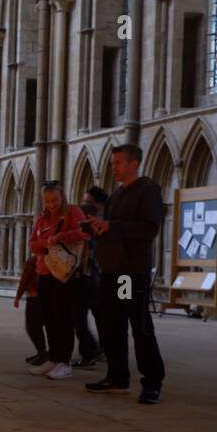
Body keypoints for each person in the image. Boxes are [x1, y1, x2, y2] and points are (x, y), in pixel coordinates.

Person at [86, 143, 165, 404]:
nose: (114, 167)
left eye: (118, 162)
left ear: (134, 163)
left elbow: (149, 228)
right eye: (113, 163)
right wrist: (98, 228)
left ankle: (152, 382)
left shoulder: (148, 189)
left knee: (139, 326)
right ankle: (117, 377)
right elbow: (114, 230)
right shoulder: (117, 195)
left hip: (130, 274)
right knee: (112, 327)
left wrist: (112, 226)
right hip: (112, 271)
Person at [28, 181, 87, 380]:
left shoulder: (73, 212)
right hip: (44, 272)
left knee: (63, 318)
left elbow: (83, 233)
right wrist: (46, 242)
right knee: (48, 318)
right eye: (47, 201)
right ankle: (53, 359)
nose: (51, 204)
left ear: (62, 197)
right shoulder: (42, 218)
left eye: (54, 200)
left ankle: (65, 362)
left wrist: (60, 236)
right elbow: (32, 244)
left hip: (63, 275)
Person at [71, 185, 108, 369]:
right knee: (81, 318)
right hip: (84, 277)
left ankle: (95, 352)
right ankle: (94, 351)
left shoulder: (107, 223)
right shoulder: (82, 221)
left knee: (96, 317)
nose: (85, 206)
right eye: (84, 202)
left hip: (99, 278)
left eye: (90, 203)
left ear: (101, 205)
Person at [14, 254, 47, 365]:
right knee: (38, 327)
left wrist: (18, 297)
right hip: (45, 297)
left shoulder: (34, 259)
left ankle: (42, 353)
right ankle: (42, 352)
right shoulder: (46, 258)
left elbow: (25, 278)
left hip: (34, 297)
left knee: (32, 327)